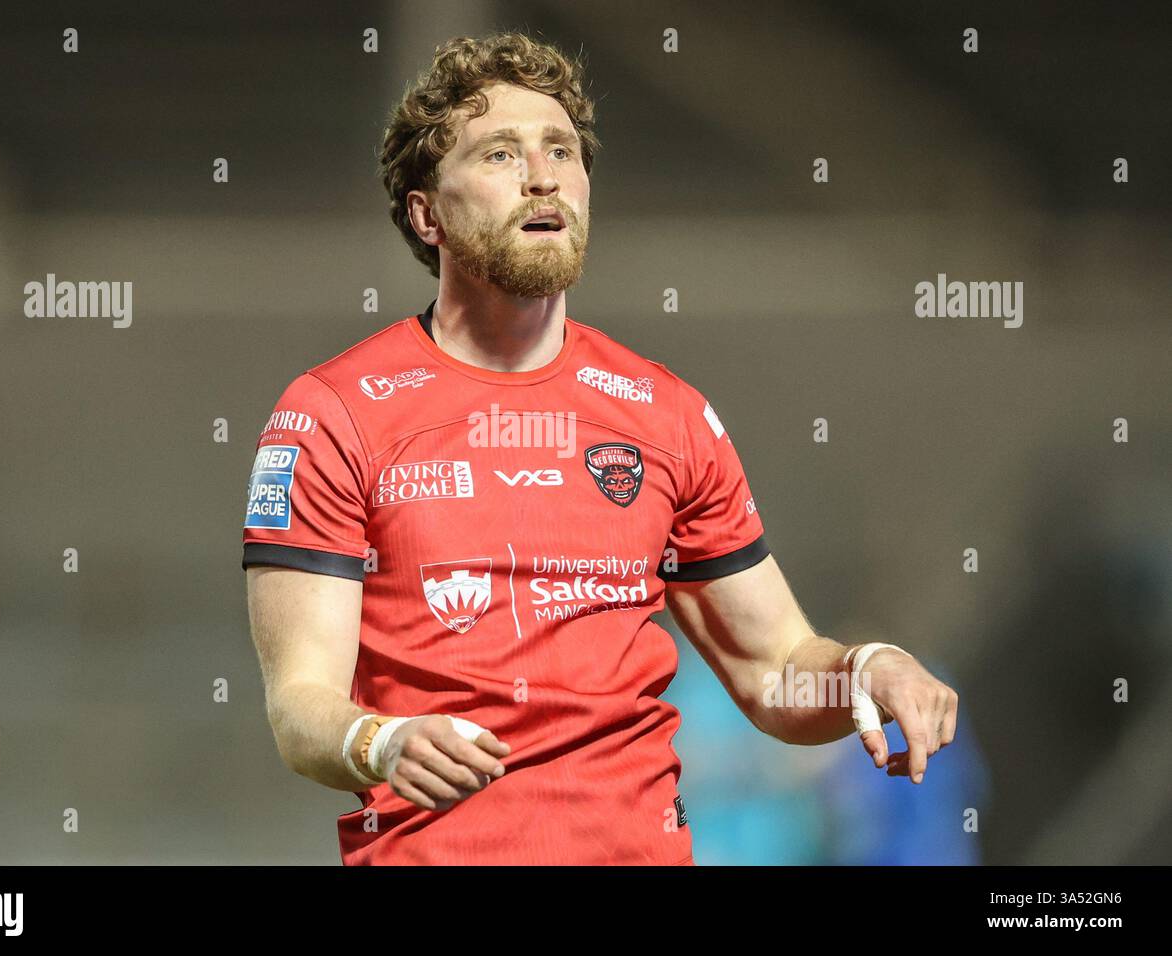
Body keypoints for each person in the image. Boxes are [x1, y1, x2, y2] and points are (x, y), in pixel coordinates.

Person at [241, 32, 957, 865]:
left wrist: (868, 667)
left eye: (562, 150)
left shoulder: (666, 413)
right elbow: (301, 705)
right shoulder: (334, 414)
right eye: (500, 153)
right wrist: (381, 742)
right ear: (426, 213)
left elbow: (776, 669)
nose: (543, 175)